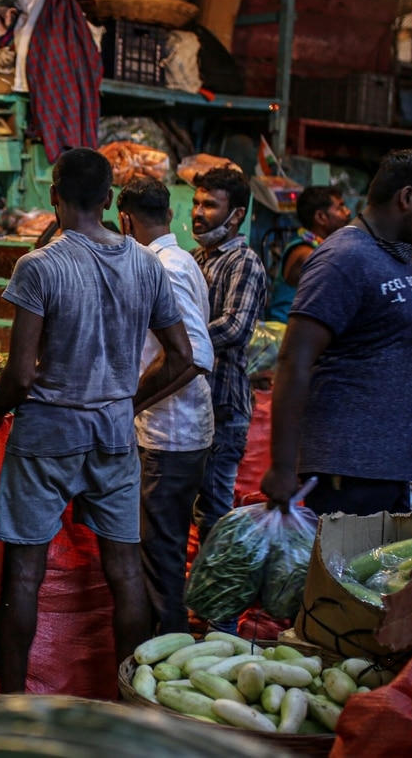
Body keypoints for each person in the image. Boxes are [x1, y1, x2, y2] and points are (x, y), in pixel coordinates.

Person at [0, 148, 195, 693]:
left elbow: (21, 375)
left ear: (54, 196)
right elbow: (184, 357)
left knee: (25, 573)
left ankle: (12, 704)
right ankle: (130, 698)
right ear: (109, 201)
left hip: (48, 432)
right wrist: (128, 403)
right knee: (124, 571)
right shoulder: (146, 263)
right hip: (114, 436)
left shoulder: (41, 265)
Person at [262, 149, 412, 517]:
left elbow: (388, 342)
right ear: (407, 197)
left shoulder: (399, 254)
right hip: (348, 469)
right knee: (343, 573)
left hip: (389, 465)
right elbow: (293, 361)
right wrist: (283, 467)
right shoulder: (343, 258)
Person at [116, 178, 215, 636]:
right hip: (177, 431)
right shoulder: (179, 260)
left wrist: (132, 403)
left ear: (125, 220)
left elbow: (193, 353)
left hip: (169, 436)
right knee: (161, 554)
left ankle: (163, 654)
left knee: (160, 560)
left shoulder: (166, 267)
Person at [189, 167, 269, 545]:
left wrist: (177, 341)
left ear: (236, 214)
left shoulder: (244, 262)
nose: (198, 212)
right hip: (189, 403)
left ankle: (209, 599)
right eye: (195, 202)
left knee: (213, 511)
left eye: (210, 204)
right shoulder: (194, 259)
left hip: (223, 405)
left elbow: (235, 327)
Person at [264, 185, 351, 323]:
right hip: (285, 334)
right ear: (320, 217)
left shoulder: (319, 246)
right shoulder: (305, 253)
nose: (347, 212)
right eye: (340, 208)